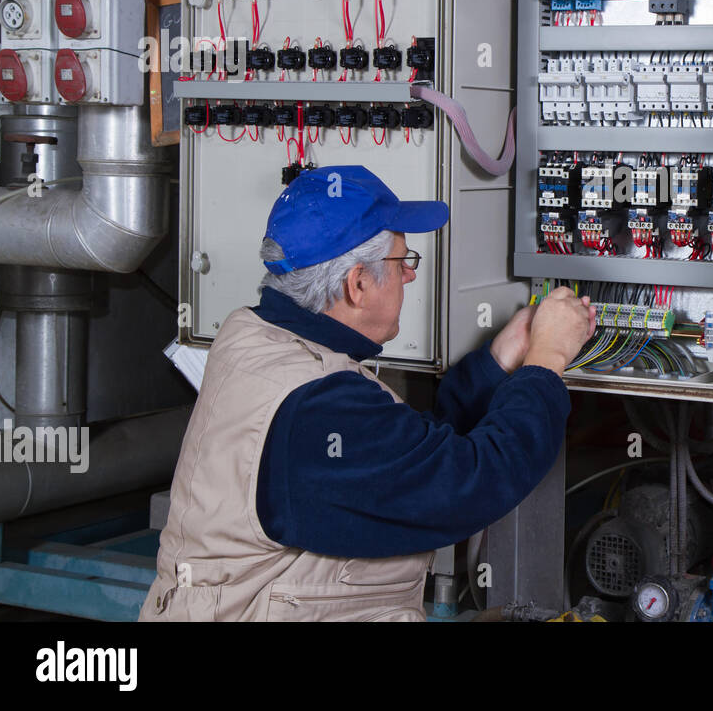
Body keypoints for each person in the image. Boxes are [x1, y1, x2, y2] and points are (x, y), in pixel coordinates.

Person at [140, 165, 595, 621]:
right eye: (403, 262)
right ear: (357, 284)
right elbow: (470, 483)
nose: (411, 276)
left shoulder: (258, 336)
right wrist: (547, 359)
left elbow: (404, 457)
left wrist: (495, 364)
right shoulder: (317, 405)